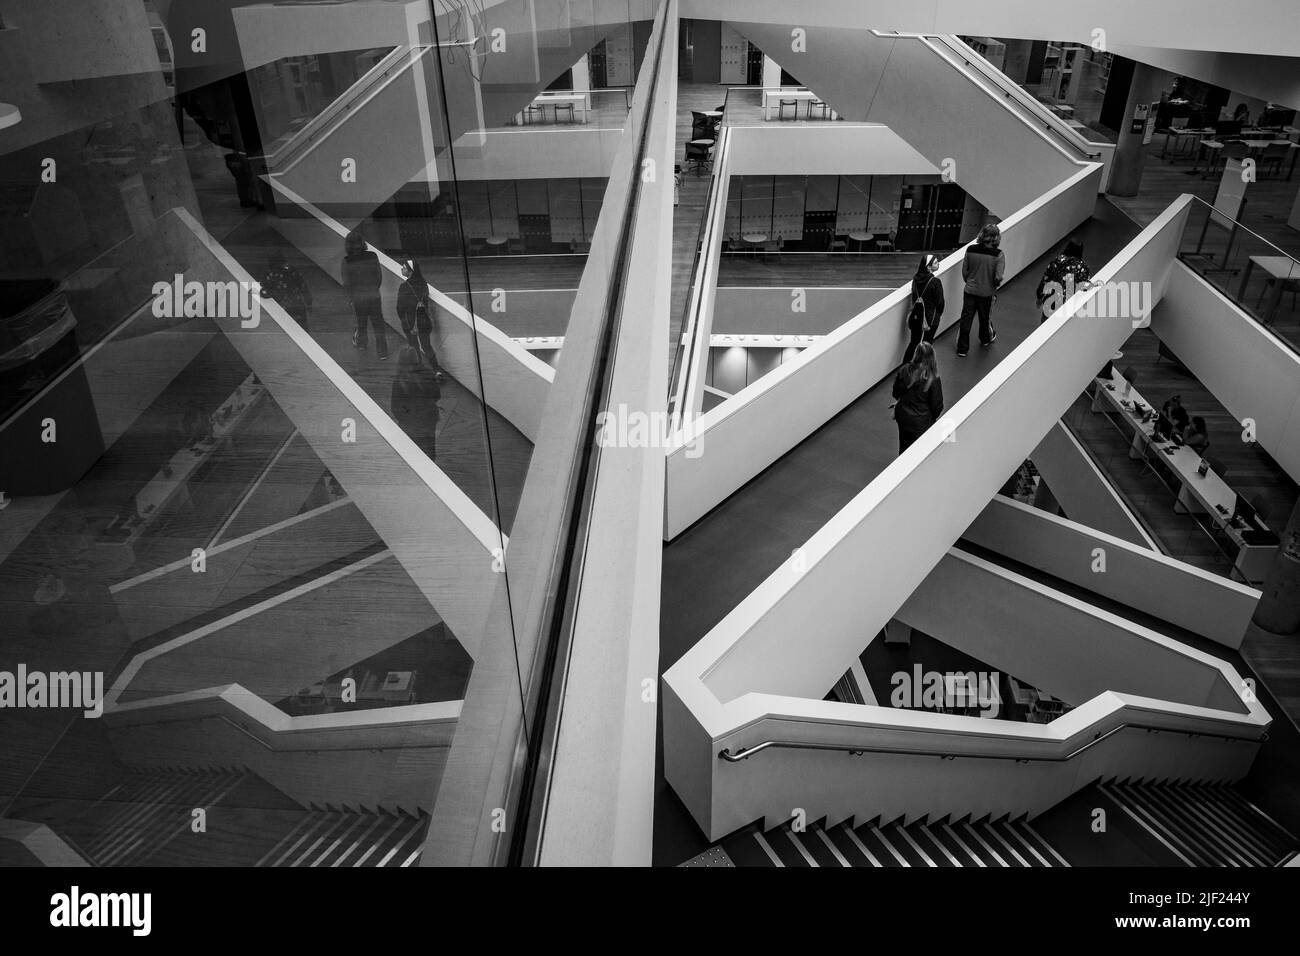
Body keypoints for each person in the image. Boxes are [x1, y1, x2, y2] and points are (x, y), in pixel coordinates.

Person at [956, 224, 1004, 356]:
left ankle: (962, 349)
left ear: (982, 235)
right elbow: (998, 277)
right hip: (986, 293)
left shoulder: (970, 250)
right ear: (996, 238)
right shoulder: (999, 255)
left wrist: (970, 281)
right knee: (984, 318)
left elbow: (964, 271)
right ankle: (985, 339)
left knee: (966, 318)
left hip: (970, 290)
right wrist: (994, 285)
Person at [891, 342, 944, 453]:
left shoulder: (905, 370)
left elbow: (895, 393)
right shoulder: (932, 378)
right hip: (921, 422)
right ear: (932, 357)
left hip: (903, 417)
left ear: (916, 354)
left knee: (904, 446)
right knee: (919, 451)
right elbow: (937, 406)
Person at [391, 347, 441, 461]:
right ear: (417, 359)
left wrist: (408, 415)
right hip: (428, 418)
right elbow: (437, 395)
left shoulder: (398, 381)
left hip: (410, 423)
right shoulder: (427, 373)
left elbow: (395, 407)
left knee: (412, 451)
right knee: (429, 447)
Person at [343, 230, 387, 359]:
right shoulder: (372, 256)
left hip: (358, 298)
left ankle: (362, 344)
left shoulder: (346, 260)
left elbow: (346, 283)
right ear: (362, 243)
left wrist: (351, 297)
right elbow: (379, 277)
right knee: (378, 324)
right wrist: (373, 289)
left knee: (361, 323)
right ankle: (382, 352)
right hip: (374, 295)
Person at [396, 258, 440, 370]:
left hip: (409, 322)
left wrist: (403, 321)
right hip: (424, 320)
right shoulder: (424, 284)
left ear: (410, 271)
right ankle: (436, 370)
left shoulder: (404, 287)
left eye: (404, 268)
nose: (402, 269)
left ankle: (418, 368)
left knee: (414, 347)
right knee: (427, 346)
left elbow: (400, 308)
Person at [1035, 237, 1091, 320]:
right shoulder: (1083, 267)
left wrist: (1039, 297)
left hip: (1051, 301)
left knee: (1045, 327)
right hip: (1068, 305)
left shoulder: (1057, 261)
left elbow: (1045, 279)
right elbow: (1084, 288)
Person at [903, 254, 945, 365]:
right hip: (931, 318)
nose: (938, 263)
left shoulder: (915, 280)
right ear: (928, 267)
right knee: (927, 344)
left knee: (914, 342)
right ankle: (923, 369)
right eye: (936, 262)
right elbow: (940, 303)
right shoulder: (935, 282)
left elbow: (914, 298)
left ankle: (905, 367)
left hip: (917, 316)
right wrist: (938, 315)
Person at [260, 250, 313, 332]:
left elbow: (265, 292)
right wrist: (309, 303)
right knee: (303, 331)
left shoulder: (271, 275)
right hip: (297, 306)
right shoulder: (292, 270)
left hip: (284, 309)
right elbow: (303, 287)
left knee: (288, 332)